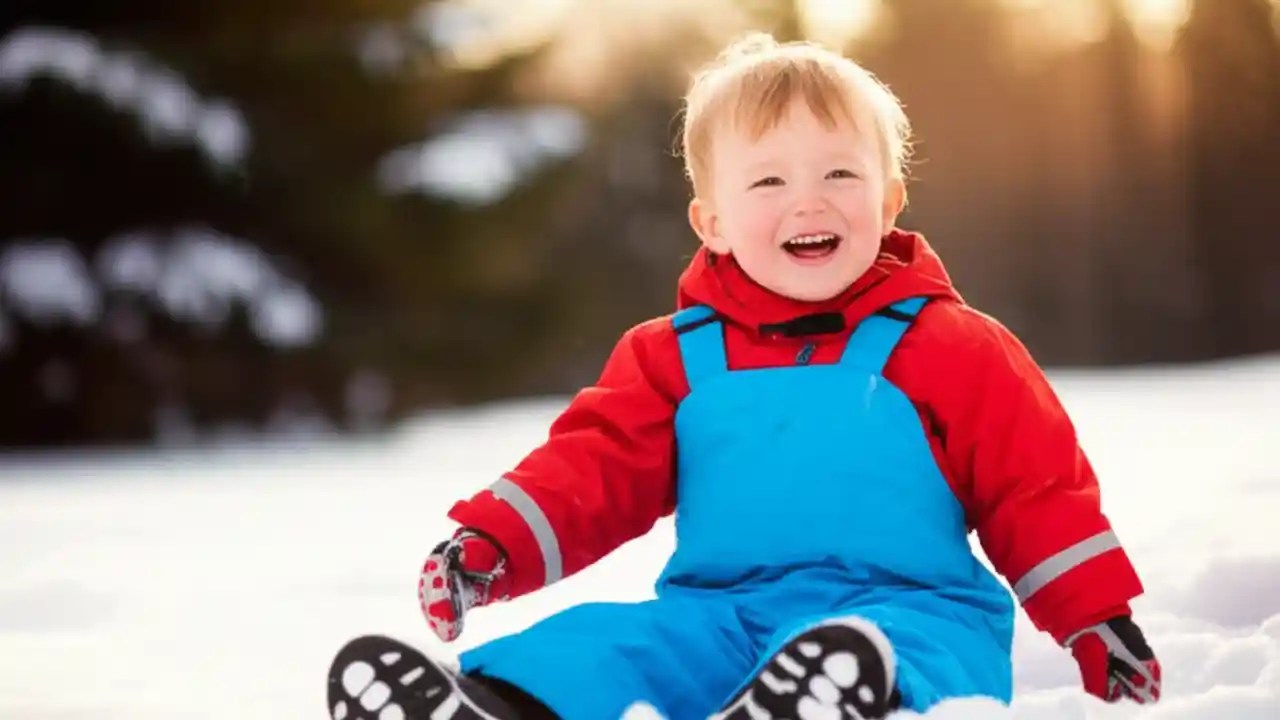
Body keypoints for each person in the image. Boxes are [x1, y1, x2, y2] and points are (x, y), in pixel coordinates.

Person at [327, 32, 1162, 720]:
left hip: (911, 609)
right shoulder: (674, 359)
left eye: (841, 174)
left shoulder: (951, 346)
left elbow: (1036, 487)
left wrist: (1096, 619)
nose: (810, 202)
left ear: (891, 198)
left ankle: (831, 703)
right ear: (713, 221)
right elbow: (593, 465)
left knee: (900, 654)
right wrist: (492, 545)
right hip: (717, 615)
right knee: (608, 645)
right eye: (769, 180)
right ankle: (491, 708)